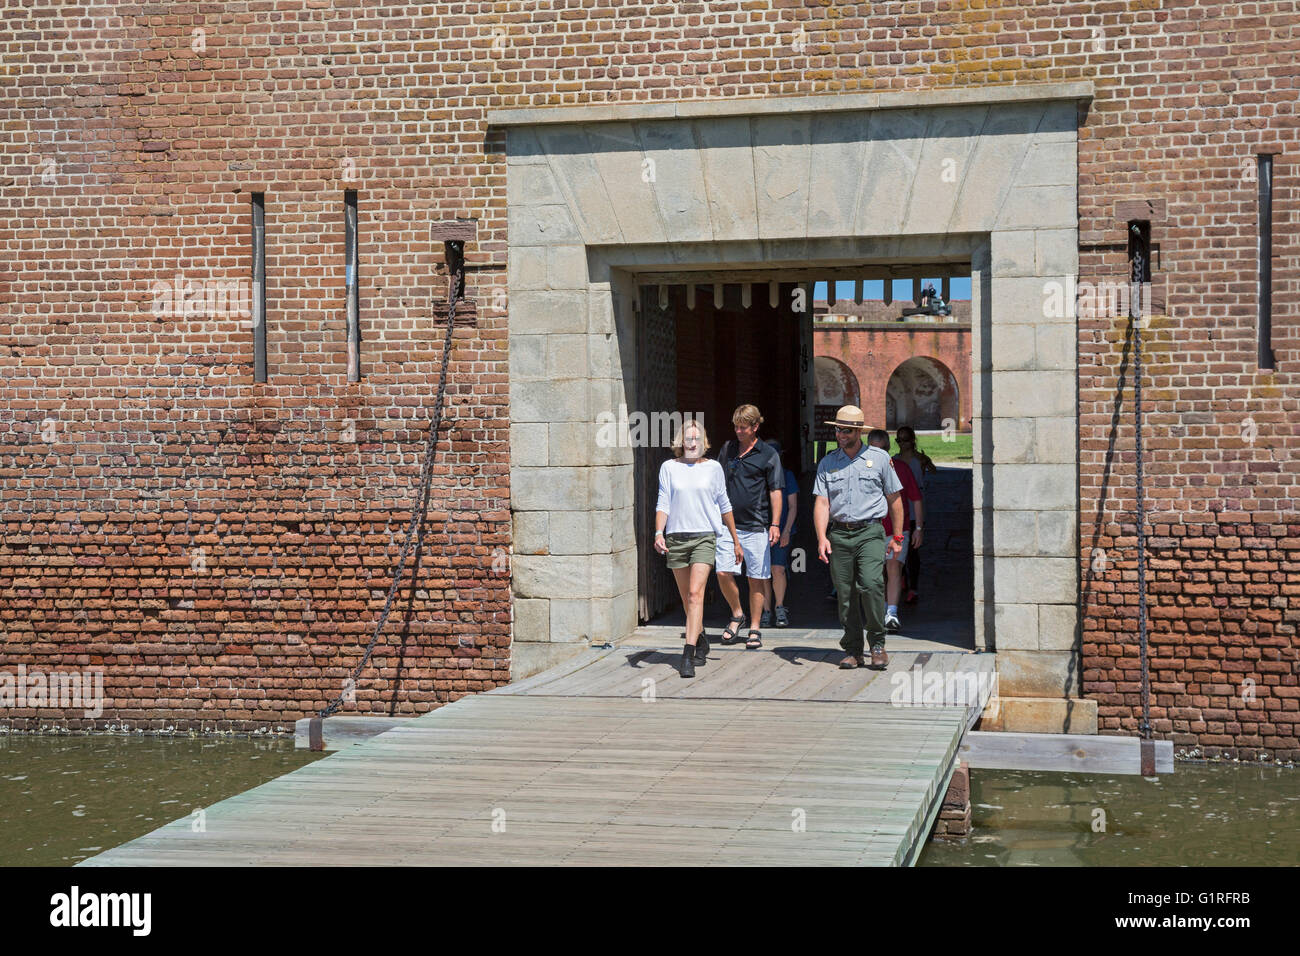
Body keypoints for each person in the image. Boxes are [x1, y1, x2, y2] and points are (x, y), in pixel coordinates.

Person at [813, 406, 904, 670]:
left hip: (870, 532)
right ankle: (853, 649)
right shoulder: (828, 462)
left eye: (846, 430)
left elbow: (895, 499)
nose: (840, 434)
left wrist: (897, 536)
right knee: (846, 593)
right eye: (838, 429)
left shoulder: (879, 458)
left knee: (871, 584)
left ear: (858, 432)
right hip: (839, 534)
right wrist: (821, 537)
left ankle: (877, 644)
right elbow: (821, 503)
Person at [655, 419, 742, 679]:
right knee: (686, 599)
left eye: (696, 438)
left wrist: (735, 539)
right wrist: (659, 532)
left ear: (703, 442)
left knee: (695, 594)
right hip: (677, 538)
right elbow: (663, 502)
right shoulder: (669, 468)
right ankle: (701, 636)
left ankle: (688, 653)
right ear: (681, 442)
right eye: (687, 438)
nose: (692, 443)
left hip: (705, 536)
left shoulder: (714, 468)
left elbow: (724, 503)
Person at [714, 405, 783, 650]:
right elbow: (717, 482)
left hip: (756, 526)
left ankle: (755, 627)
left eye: (743, 427)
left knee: (756, 579)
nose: (738, 431)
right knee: (723, 572)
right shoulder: (728, 449)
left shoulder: (768, 454)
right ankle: (737, 614)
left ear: (755, 427)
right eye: (736, 426)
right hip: (728, 525)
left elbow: (775, 491)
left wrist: (775, 523)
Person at [867, 428, 923, 632]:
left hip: (897, 530)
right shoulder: (861, 467)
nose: (877, 455)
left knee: (893, 568)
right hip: (870, 530)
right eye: (873, 450)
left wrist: (918, 528)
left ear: (888, 449)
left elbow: (916, 498)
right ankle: (881, 608)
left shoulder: (901, 468)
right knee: (874, 574)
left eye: (881, 450)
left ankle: (891, 613)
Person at [894, 425, 937, 602]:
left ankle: (914, 587)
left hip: (915, 506)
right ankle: (901, 576)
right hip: (899, 507)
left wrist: (927, 462)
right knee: (896, 547)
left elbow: (934, 471)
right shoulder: (893, 460)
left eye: (905, 440)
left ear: (912, 440)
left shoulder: (920, 459)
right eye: (898, 440)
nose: (901, 443)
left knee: (912, 550)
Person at [762, 440, 799, 628]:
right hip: (759, 530)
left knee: (778, 569)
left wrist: (786, 531)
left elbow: (793, 507)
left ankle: (779, 607)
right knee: (762, 573)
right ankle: (765, 611)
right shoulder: (758, 475)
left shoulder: (787, 475)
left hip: (783, 530)